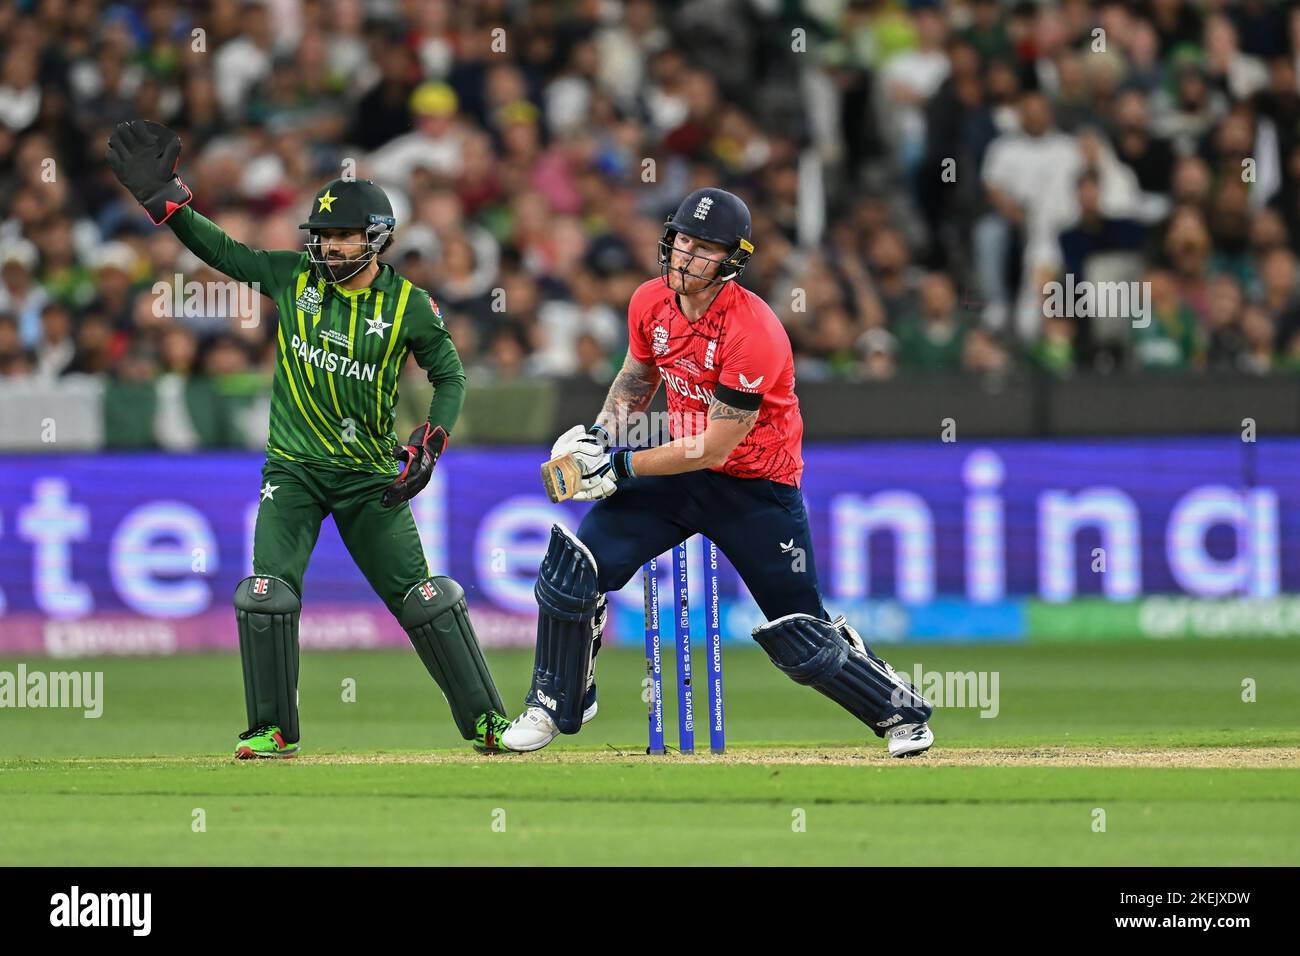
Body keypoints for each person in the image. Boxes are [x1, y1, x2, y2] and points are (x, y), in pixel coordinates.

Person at [105, 120, 512, 758]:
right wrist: (167, 201)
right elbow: (222, 251)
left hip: (370, 474)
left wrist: (429, 443)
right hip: (292, 470)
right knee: (265, 595)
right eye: (319, 236)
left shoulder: (409, 305)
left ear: (376, 239)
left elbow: (450, 376)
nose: (325, 248)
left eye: (340, 237)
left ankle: (489, 722)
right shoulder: (292, 276)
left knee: (426, 601)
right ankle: (272, 729)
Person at [503, 187, 934, 757]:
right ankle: (556, 701)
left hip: (757, 487)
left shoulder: (753, 330)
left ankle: (898, 709)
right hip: (679, 475)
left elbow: (716, 446)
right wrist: (601, 435)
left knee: (800, 637)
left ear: (731, 260)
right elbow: (637, 382)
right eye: (683, 240)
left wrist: (620, 462)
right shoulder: (649, 302)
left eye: (705, 249)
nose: (687, 256)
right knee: (572, 572)